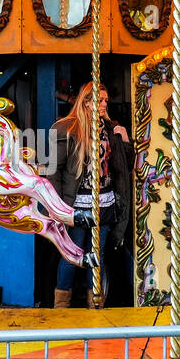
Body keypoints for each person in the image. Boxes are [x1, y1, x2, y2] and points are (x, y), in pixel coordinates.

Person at [51, 82, 130, 308]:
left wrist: (124, 140)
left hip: (103, 201)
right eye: (100, 100)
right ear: (86, 102)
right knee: (72, 254)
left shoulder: (109, 129)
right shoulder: (67, 129)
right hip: (77, 203)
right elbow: (55, 169)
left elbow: (124, 168)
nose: (105, 104)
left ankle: (95, 302)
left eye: (106, 101)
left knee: (98, 256)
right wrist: (55, 205)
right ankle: (61, 303)